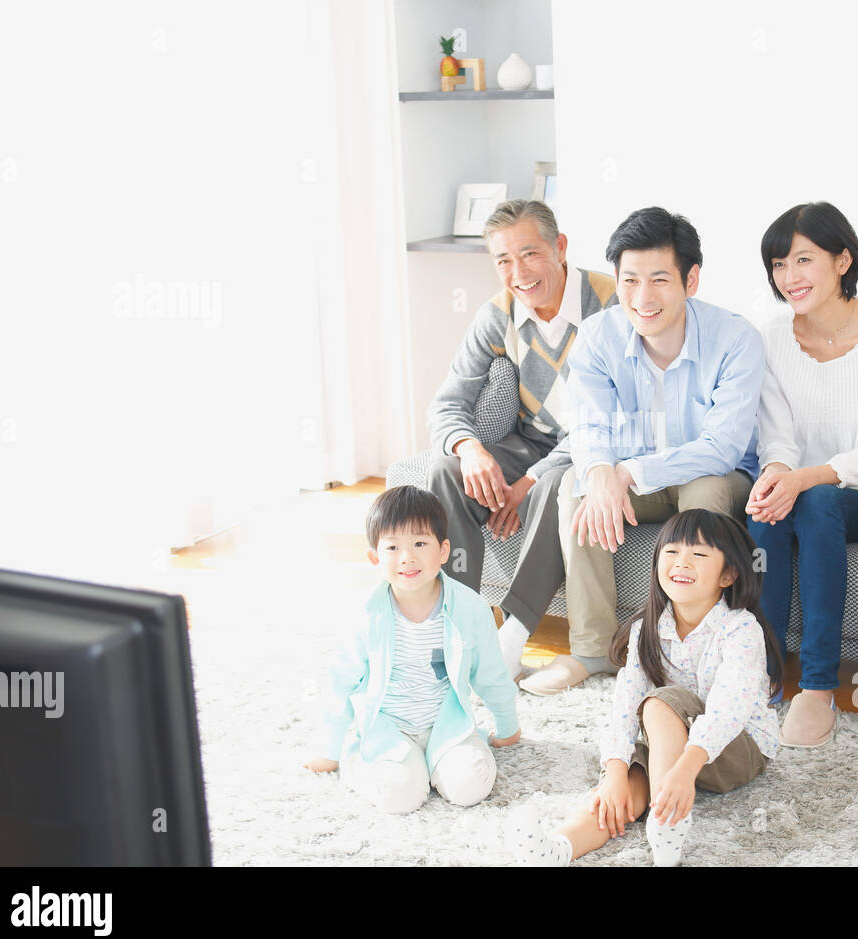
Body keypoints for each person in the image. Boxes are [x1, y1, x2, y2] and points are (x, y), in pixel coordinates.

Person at [518, 206, 764, 696]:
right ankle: (592, 650)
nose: (642, 298)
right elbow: (588, 427)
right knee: (576, 484)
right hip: (635, 480)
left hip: (714, 475)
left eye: (659, 280)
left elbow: (721, 448)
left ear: (691, 280)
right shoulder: (597, 335)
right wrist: (601, 474)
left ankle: (697, 649)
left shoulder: (736, 338)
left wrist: (625, 472)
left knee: (707, 492)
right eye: (629, 281)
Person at [506, 509, 781, 866]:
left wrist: (684, 772)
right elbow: (623, 705)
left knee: (659, 703)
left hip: (735, 749)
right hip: (672, 749)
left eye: (698, 554)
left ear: (728, 575)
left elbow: (728, 711)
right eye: (671, 552)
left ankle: (667, 827)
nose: (682, 562)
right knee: (621, 790)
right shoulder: (646, 628)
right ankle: (559, 848)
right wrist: (615, 773)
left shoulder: (741, 630)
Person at [745, 202, 858, 747]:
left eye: (803, 260)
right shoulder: (772, 337)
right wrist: (778, 475)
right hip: (801, 491)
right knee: (766, 504)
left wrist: (801, 480)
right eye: (779, 264)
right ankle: (763, 676)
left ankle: (818, 686)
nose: (789, 277)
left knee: (816, 500)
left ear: (843, 259)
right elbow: (777, 437)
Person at [426, 200, 618, 678]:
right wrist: (469, 450)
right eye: (503, 261)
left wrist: (532, 479)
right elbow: (447, 402)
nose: (519, 272)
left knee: (563, 482)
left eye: (530, 254)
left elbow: (614, 416)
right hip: (530, 439)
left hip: (598, 447)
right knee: (445, 471)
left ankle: (510, 639)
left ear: (560, 247)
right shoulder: (497, 314)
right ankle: (457, 628)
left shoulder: (613, 300)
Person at [303, 486, 521, 813]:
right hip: (388, 726)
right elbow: (341, 682)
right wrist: (329, 749)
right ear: (375, 557)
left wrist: (507, 726)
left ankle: (433, 763)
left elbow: (491, 673)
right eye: (393, 547)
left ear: (443, 550)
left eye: (420, 543)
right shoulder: (365, 614)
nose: (407, 557)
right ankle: (359, 758)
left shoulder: (471, 608)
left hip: (447, 723)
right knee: (400, 797)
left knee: (470, 787)